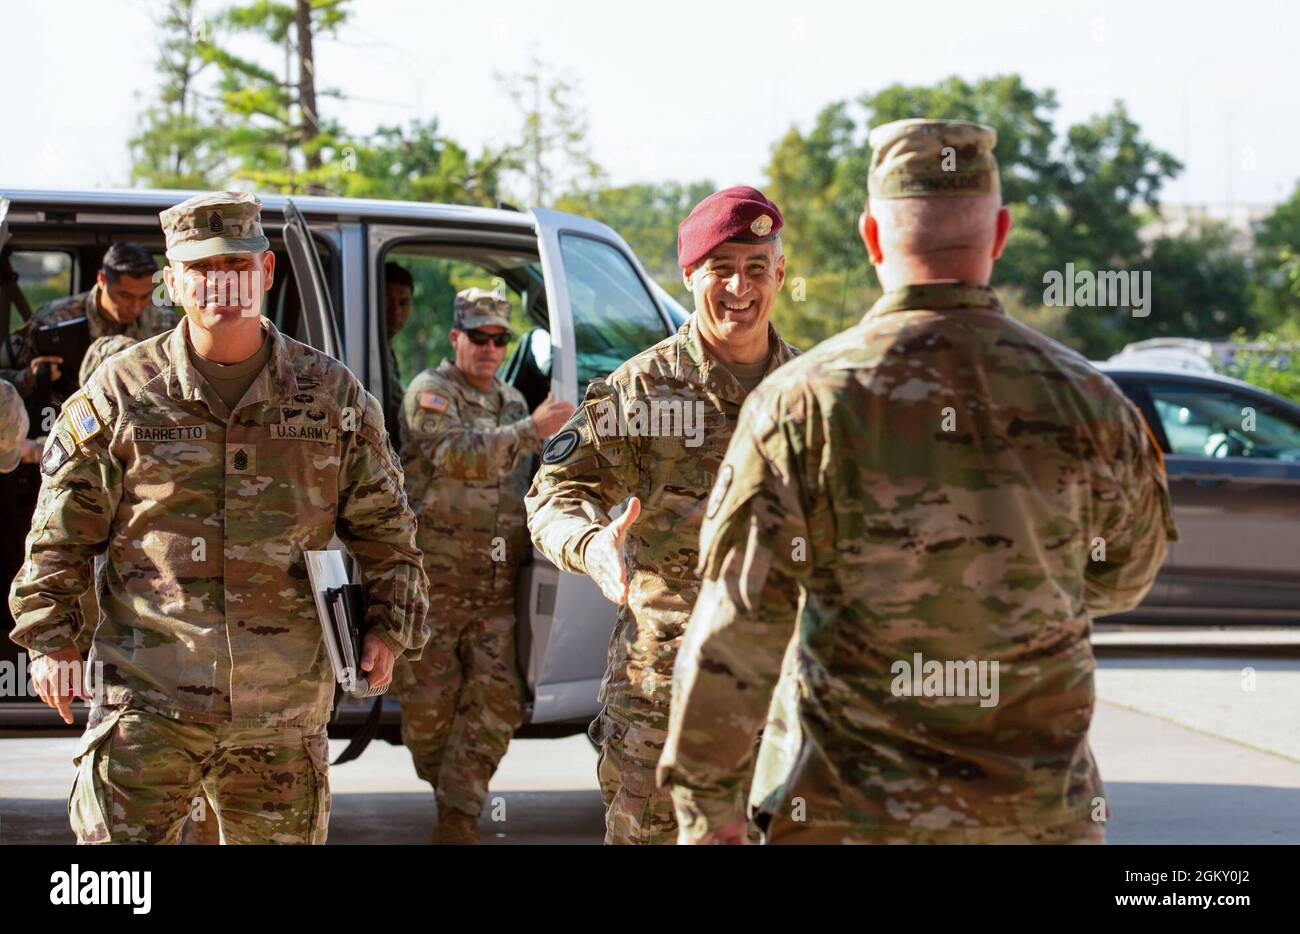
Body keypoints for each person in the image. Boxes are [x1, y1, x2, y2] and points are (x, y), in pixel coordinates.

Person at [657, 119, 1178, 845]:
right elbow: (1124, 579)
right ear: (998, 234)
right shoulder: (1089, 401)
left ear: (872, 237)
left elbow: (738, 628)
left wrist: (707, 811)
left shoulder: (802, 404)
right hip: (1037, 820)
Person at [8, 191, 430, 845]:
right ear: (171, 284)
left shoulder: (331, 394)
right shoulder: (121, 393)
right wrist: (49, 639)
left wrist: (390, 627)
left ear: (264, 273)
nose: (220, 283)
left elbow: (385, 528)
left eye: (236, 263)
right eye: (200, 269)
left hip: (281, 714)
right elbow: (61, 531)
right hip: (148, 705)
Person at [526, 187, 799, 844]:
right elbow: (553, 491)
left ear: (780, 275)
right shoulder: (641, 390)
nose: (739, 286)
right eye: (721, 268)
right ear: (689, 276)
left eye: (756, 267)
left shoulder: (811, 392)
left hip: (786, 704)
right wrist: (590, 544)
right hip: (664, 701)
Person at [393, 287, 573, 844]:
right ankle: (452, 796)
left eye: (501, 339)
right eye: (479, 337)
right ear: (457, 339)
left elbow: (532, 479)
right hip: (434, 589)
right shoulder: (430, 392)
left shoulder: (515, 403)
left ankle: (458, 821)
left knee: (499, 704)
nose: (491, 349)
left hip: (497, 590)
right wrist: (530, 432)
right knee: (427, 719)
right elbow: (456, 454)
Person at [0, 242, 177, 402]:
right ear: (102, 280)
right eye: (125, 296)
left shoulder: (164, 324)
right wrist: (31, 377)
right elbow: (4, 380)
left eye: (145, 296)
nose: (135, 307)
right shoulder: (52, 320)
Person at [383, 261, 415, 450]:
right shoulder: (366, 345)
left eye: (403, 303)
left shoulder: (383, 347)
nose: (395, 311)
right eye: (387, 300)